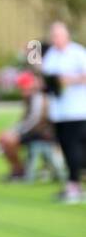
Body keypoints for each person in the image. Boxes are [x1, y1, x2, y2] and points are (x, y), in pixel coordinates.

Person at [41, 21, 86, 203]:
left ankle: (74, 184)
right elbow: (47, 78)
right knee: (66, 147)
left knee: (75, 147)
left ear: (67, 36)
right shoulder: (51, 55)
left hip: (77, 110)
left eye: (59, 35)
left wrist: (69, 80)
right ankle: (73, 183)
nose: (56, 39)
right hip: (58, 111)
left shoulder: (77, 53)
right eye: (53, 36)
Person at [0, 71, 57, 182]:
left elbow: (35, 121)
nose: (22, 90)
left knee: (8, 140)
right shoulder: (29, 99)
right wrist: (12, 130)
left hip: (42, 133)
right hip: (32, 131)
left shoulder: (39, 97)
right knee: (3, 137)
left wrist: (16, 132)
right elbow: (24, 120)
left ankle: (19, 170)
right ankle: (17, 169)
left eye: (24, 87)